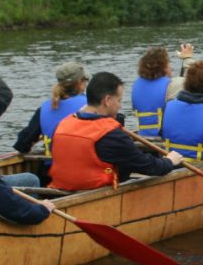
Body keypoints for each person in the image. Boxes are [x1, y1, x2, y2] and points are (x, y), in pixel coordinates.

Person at [49, 72, 182, 191]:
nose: (120, 105)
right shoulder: (110, 134)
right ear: (107, 100)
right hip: (92, 194)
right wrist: (169, 161)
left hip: (59, 190)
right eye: (118, 100)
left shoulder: (62, 124)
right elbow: (148, 166)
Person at [13, 61, 88, 156]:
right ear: (79, 82)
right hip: (84, 166)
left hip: (52, 168)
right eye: (86, 80)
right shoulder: (92, 104)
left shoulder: (44, 108)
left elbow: (22, 145)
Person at [131, 44, 194, 137]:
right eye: (168, 64)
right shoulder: (171, 85)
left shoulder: (136, 85)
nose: (171, 68)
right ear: (164, 66)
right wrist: (188, 59)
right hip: (162, 139)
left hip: (143, 137)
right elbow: (195, 82)